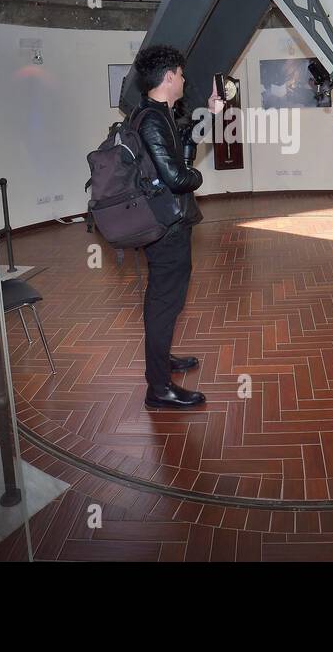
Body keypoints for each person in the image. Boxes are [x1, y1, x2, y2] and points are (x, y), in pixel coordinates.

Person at [130, 45, 222, 410]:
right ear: (169, 76)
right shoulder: (152, 119)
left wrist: (211, 115)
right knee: (164, 303)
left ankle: (161, 360)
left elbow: (184, 145)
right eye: (181, 74)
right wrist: (195, 176)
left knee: (167, 300)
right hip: (164, 226)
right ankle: (158, 387)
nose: (184, 79)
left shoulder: (160, 113)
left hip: (167, 221)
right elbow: (177, 175)